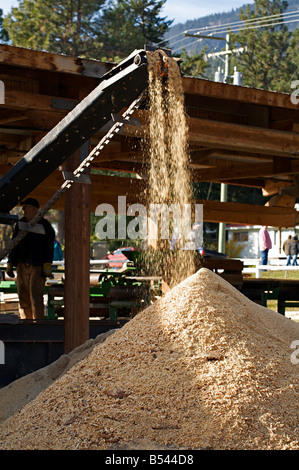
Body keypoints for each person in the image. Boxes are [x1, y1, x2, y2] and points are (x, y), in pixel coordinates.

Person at [6, 198, 55, 319]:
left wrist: (47, 264)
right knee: (23, 295)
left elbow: (49, 247)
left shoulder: (45, 226)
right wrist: (10, 263)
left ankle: (37, 324)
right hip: (22, 264)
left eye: (26, 207)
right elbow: (14, 244)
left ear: (33, 209)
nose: (23, 209)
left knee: (36, 296)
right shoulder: (21, 224)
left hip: (37, 266)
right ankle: (25, 322)